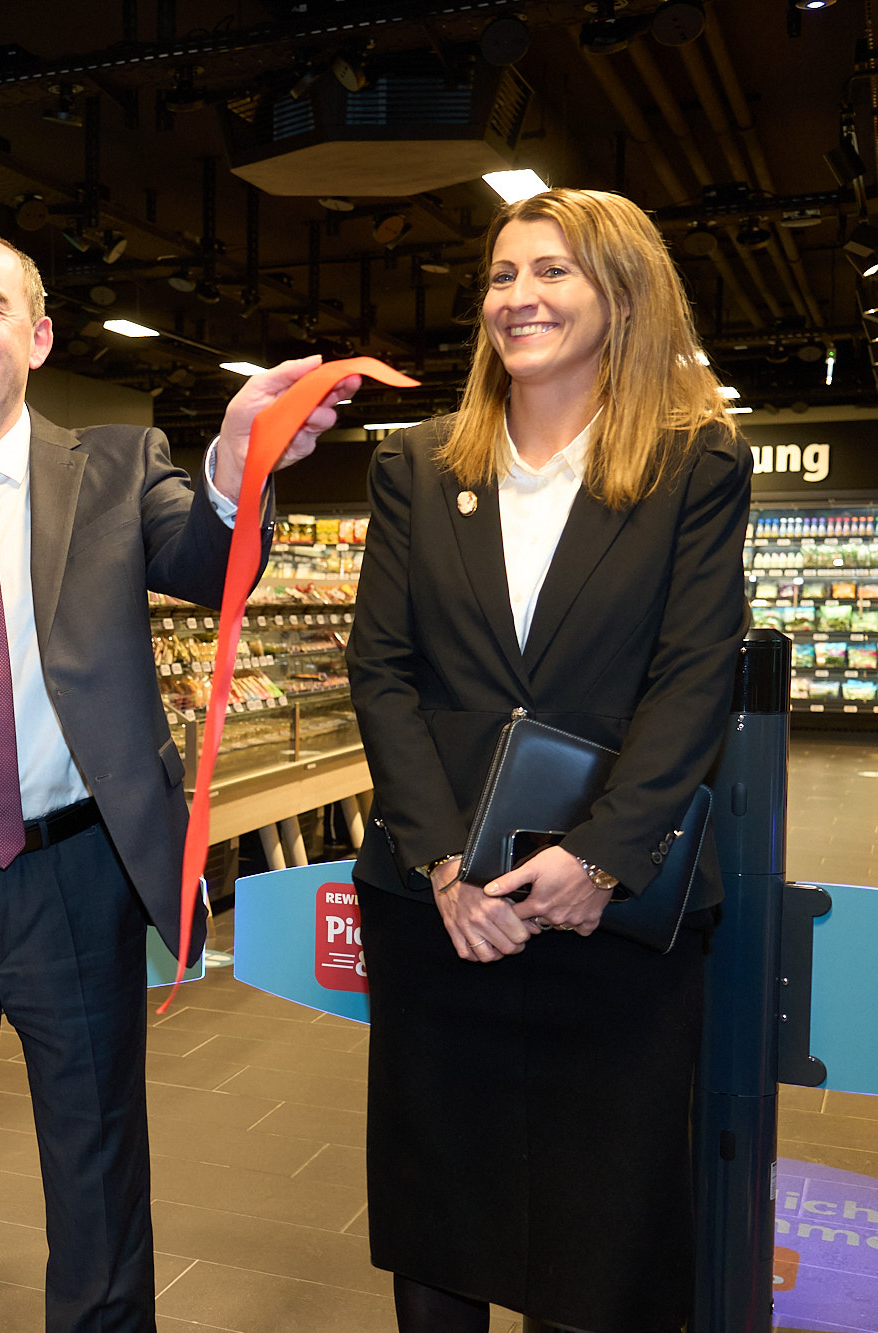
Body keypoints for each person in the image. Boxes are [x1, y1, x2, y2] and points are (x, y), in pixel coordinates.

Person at [0, 228, 358, 1331]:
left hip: (72, 876)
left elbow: (207, 564)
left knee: (96, 1177)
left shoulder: (113, 467)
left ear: (38, 335)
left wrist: (230, 465)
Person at [346, 188, 749, 1333]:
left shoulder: (692, 462)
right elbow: (381, 673)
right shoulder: (417, 466)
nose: (516, 296)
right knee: (439, 1218)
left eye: (551, 271)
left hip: (607, 917)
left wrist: (600, 858)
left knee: (597, 1235)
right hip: (440, 913)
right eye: (501, 275)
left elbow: (690, 676)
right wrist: (440, 865)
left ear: (620, 294)